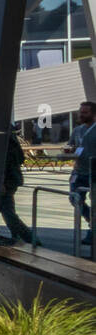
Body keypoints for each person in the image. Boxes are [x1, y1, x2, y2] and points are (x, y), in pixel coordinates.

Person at [68, 101, 95, 244]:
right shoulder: (77, 130)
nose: (81, 115)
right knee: (74, 199)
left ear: (93, 114)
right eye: (81, 112)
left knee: (95, 202)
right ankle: (91, 219)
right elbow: (71, 145)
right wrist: (69, 150)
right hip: (79, 171)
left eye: (85, 112)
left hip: (93, 172)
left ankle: (92, 234)